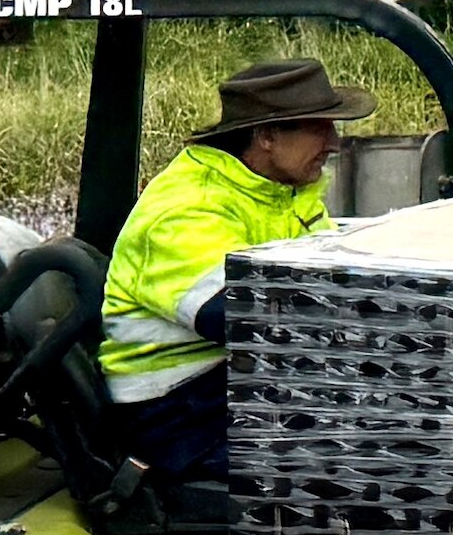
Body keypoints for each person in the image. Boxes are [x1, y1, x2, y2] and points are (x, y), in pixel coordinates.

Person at [100, 53, 367, 487]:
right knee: (362, 460)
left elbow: (332, 280)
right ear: (265, 136)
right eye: (319, 126)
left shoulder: (282, 193)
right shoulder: (187, 208)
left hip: (239, 384)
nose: (334, 142)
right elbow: (245, 318)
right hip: (180, 415)